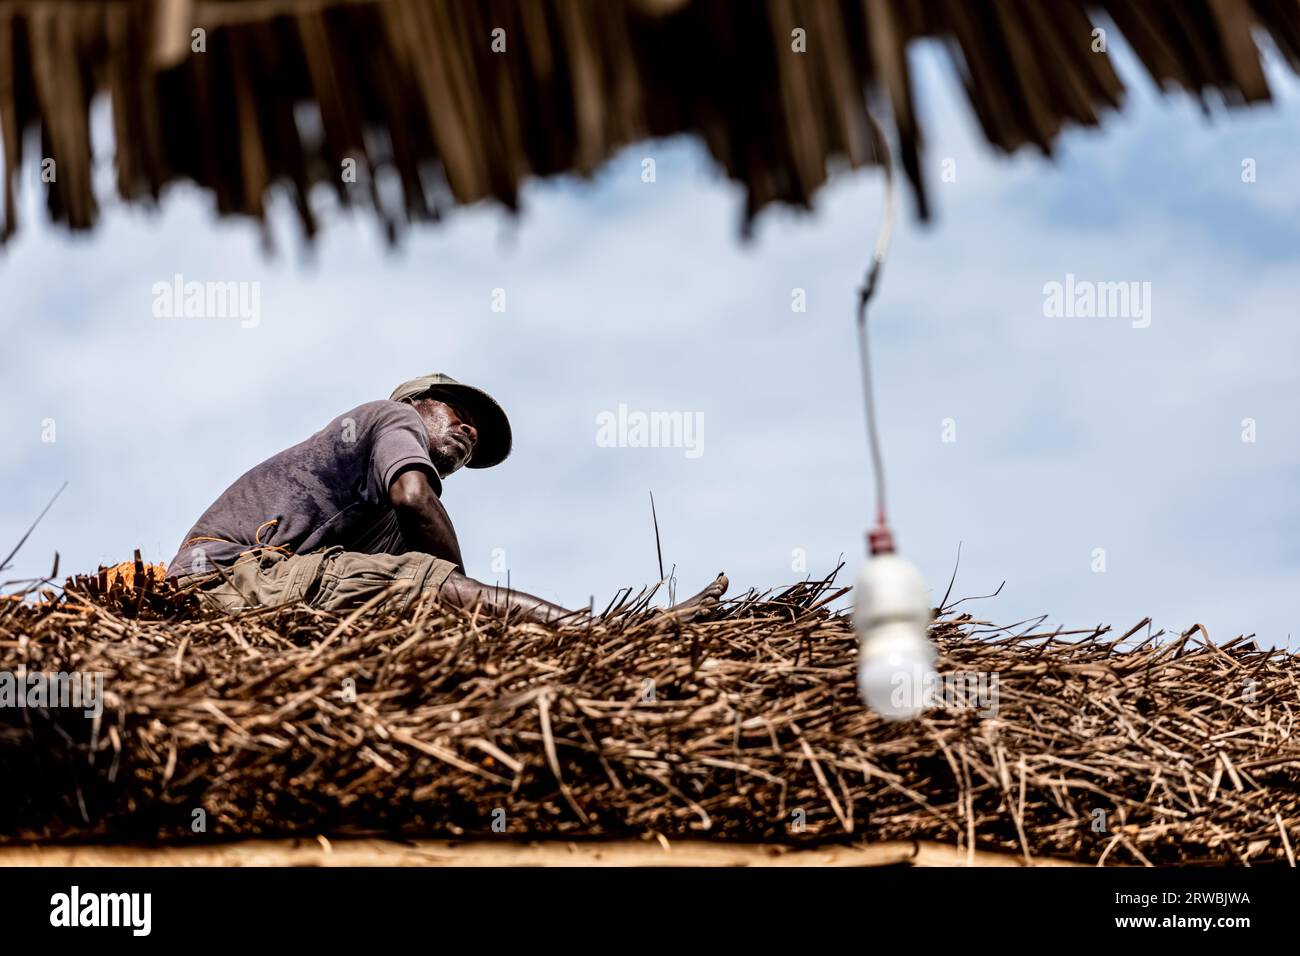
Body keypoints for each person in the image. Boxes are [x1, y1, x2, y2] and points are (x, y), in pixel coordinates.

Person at [165, 373, 726, 623]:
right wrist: (454, 584)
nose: (471, 434)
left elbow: (397, 589)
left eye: (477, 435)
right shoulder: (391, 417)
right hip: (219, 579)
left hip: (264, 592)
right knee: (426, 581)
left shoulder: (379, 518)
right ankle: (601, 634)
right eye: (461, 416)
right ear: (420, 403)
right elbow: (416, 510)